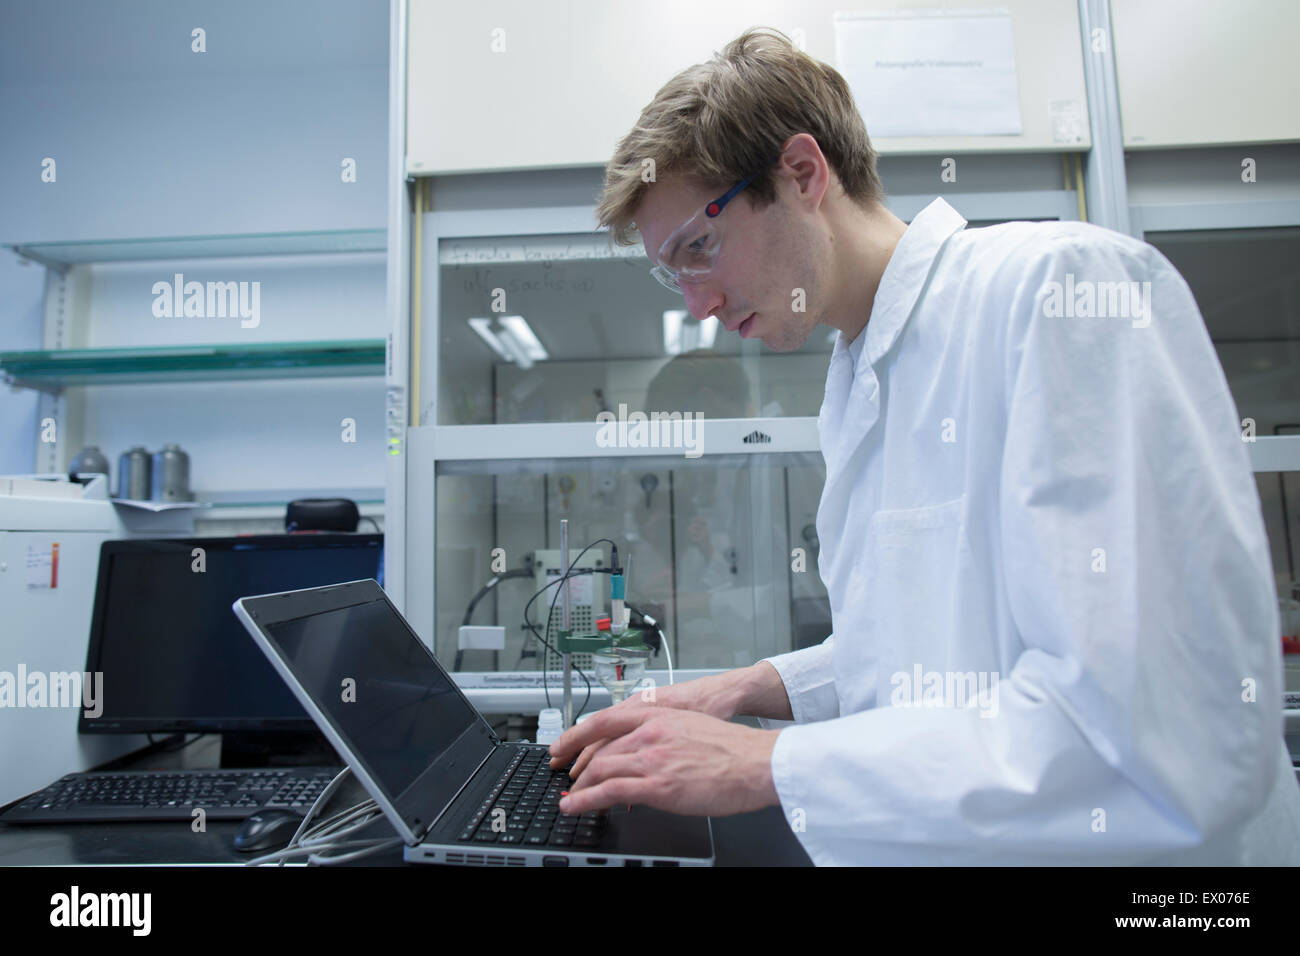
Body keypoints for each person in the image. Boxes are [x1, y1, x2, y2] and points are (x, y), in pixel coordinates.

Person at [547, 27, 1300, 864]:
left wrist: (774, 761)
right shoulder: (859, 376)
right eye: (671, 273)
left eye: (697, 248)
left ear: (801, 174)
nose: (697, 305)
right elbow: (921, 656)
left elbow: (1157, 725)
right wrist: (746, 690)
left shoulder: (1056, 292)